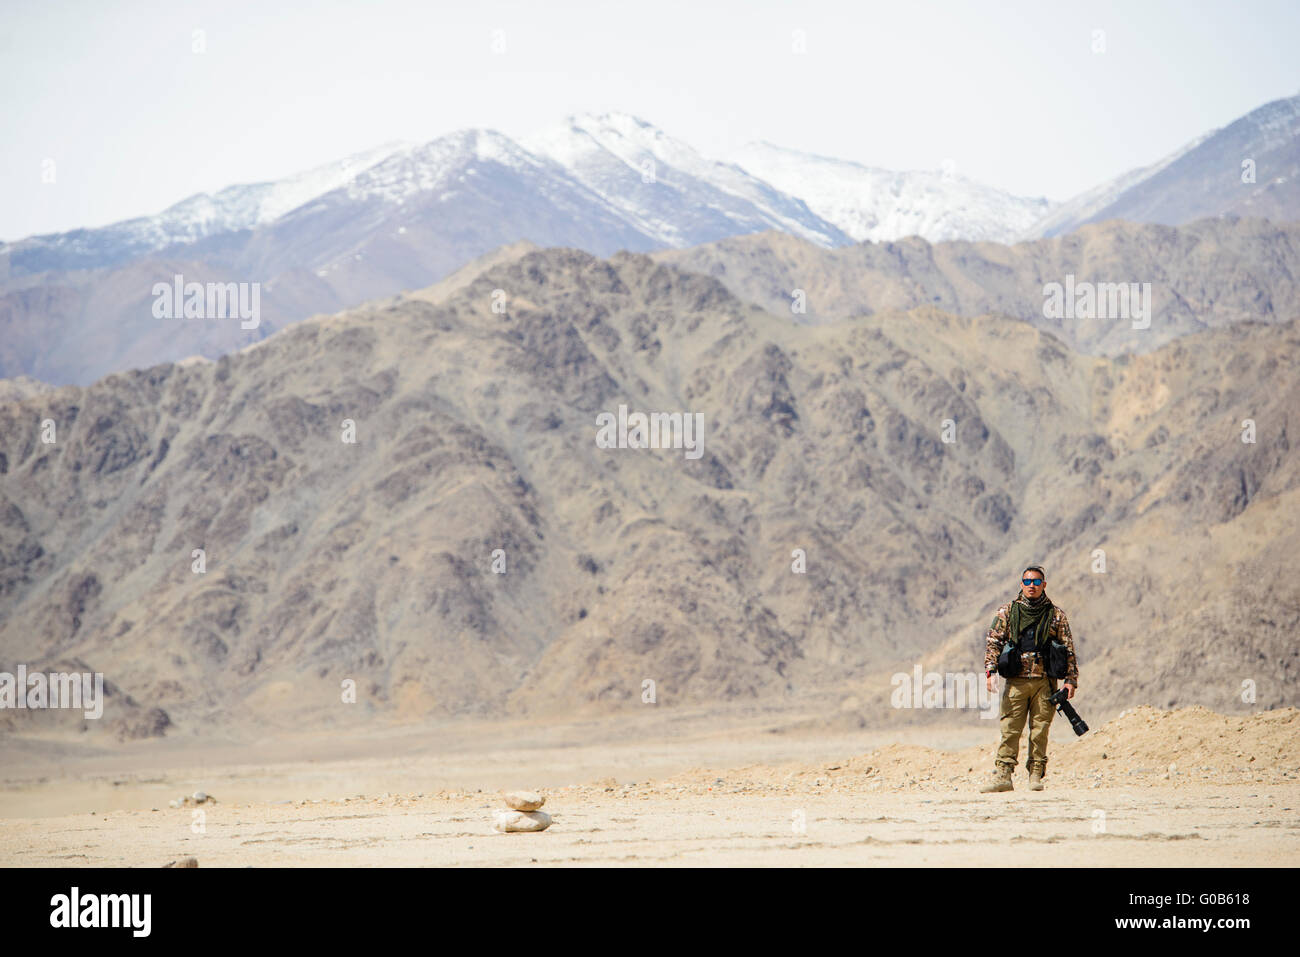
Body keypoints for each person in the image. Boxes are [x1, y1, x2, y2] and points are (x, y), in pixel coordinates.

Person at [979, 564, 1078, 792]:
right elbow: (994, 642)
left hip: (1045, 682)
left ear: (1043, 585)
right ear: (1021, 584)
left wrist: (1071, 680)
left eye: (1036, 582)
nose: (1031, 586)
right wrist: (990, 672)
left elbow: (1068, 647)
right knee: (1010, 729)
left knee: (1040, 729)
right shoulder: (1008, 612)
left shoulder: (1055, 615)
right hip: (1016, 681)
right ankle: (1003, 775)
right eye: (1027, 582)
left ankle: (1036, 775)